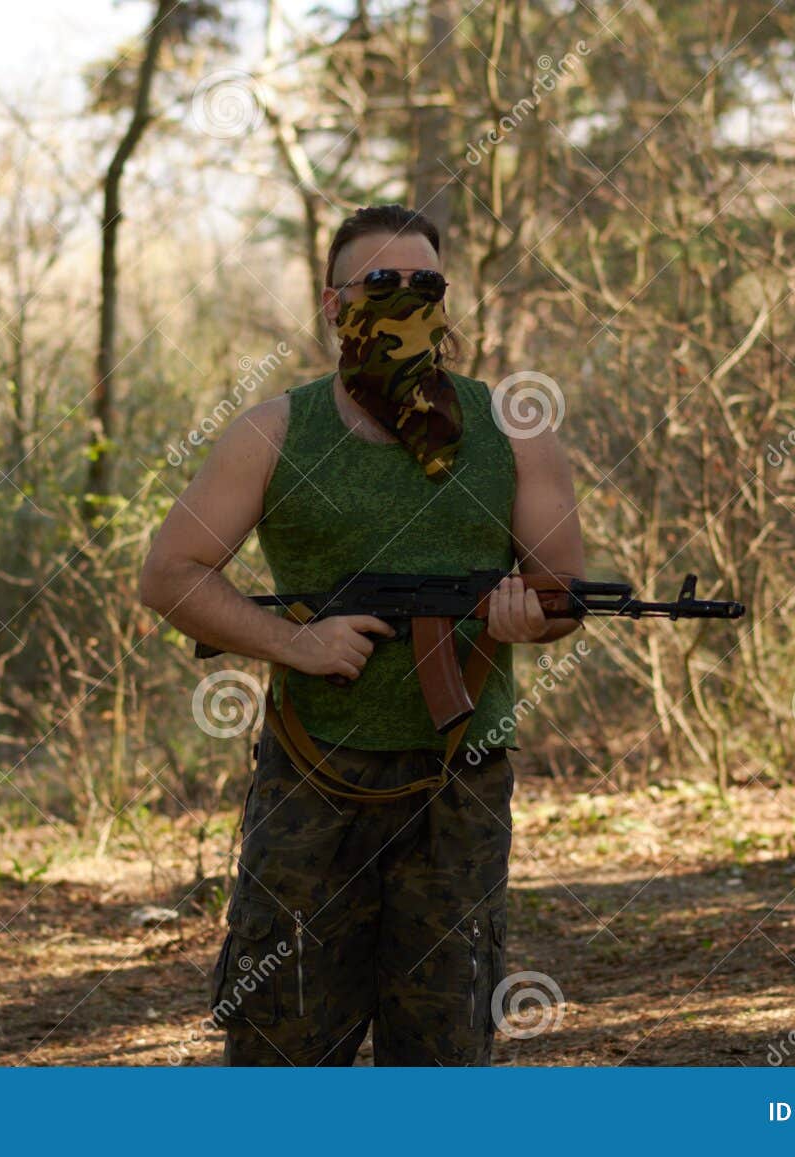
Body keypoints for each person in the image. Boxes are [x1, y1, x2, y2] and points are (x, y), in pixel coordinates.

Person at [139, 203, 584, 1065]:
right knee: (286, 1043)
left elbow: (561, 594)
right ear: (334, 303)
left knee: (444, 1048)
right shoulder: (272, 433)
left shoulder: (516, 430)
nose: (407, 300)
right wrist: (297, 643)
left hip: (460, 787)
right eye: (381, 283)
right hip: (311, 783)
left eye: (427, 285)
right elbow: (170, 575)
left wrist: (533, 617)